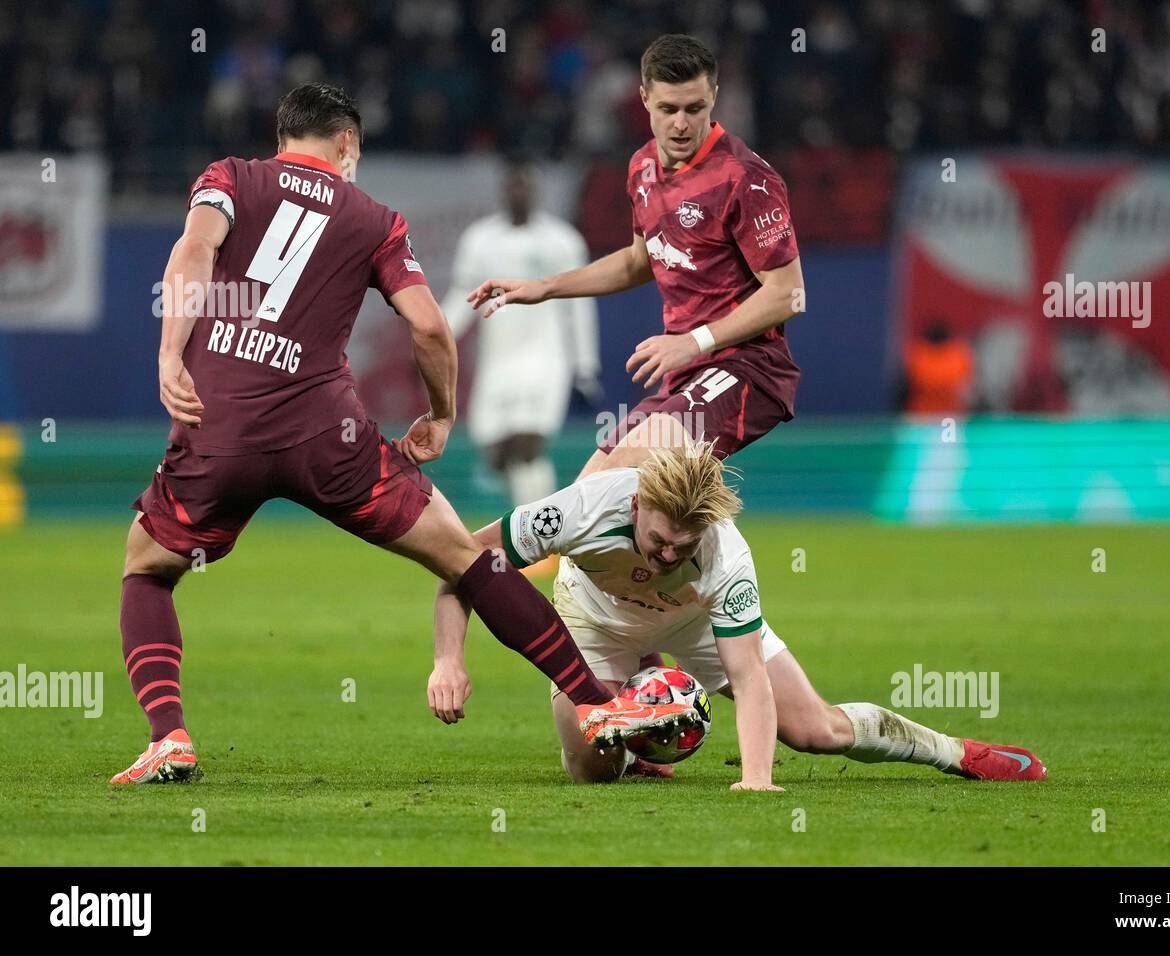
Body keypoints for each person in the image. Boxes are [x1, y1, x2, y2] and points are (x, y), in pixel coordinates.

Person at [113, 83, 699, 784]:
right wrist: (442, 412)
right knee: (467, 558)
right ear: (348, 146)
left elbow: (193, 251)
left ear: (282, 138)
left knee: (149, 566)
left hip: (221, 423)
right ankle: (595, 703)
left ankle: (168, 738)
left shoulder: (230, 179)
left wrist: (170, 352)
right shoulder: (375, 219)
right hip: (326, 437)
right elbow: (426, 326)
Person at [428, 441, 1047, 789]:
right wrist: (449, 660)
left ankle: (954, 751)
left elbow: (748, 676)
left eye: (683, 548)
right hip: (595, 622)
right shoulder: (580, 509)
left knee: (815, 730)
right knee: (594, 771)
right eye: (660, 540)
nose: (670, 555)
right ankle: (645, 698)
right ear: (638, 502)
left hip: (692, 625)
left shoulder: (726, 553)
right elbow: (462, 567)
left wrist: (756, 778)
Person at [465, 34, 805, 479]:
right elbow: (636, 262)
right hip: (685, 375)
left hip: (747, 368)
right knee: (591, 488)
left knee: (624, 472)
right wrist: (544, 287)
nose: (681, 124)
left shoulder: (746, 178)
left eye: (695, 108)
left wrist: (693, 341)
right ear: (644, 99)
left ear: (714, 97)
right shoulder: (642, 167)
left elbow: (788, 294)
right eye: (668, 109)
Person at [441, 160, 601, 506]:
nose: (519, 192)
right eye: (513, 185)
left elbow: (579, 306)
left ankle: (540, 529)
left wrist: (585, 365)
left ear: (536, 191)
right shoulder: (480, 239)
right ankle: (534, 517)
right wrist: (437, 338)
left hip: (545, 356)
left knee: (527, 445)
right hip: (497, 359)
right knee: (497, 453)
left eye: (526, 185)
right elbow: (463, 295)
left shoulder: (562, 241)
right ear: (504, 190)